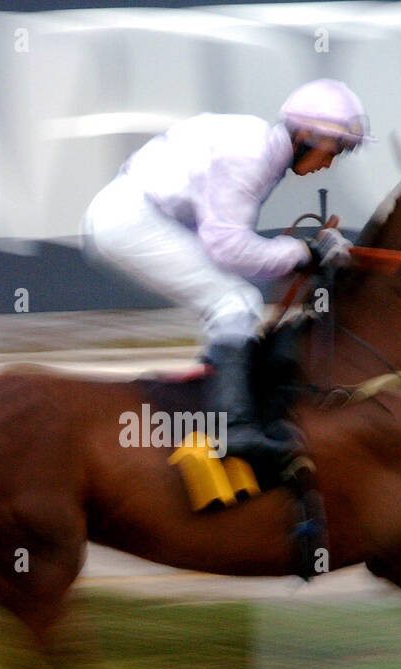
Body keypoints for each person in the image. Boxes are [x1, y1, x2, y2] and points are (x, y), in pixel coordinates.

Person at [81, 78, 372, 469]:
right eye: (333, 149)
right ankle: (234, 429)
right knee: (234, 302)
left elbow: (234, 250)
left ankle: (218, 397)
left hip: (139, 214)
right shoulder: (250, 155)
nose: (329, 162)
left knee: (237, 298)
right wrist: (305, 252)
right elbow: (228, 248)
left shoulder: (258, 148)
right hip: (130, 219)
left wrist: (305, 253)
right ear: (304, 133)